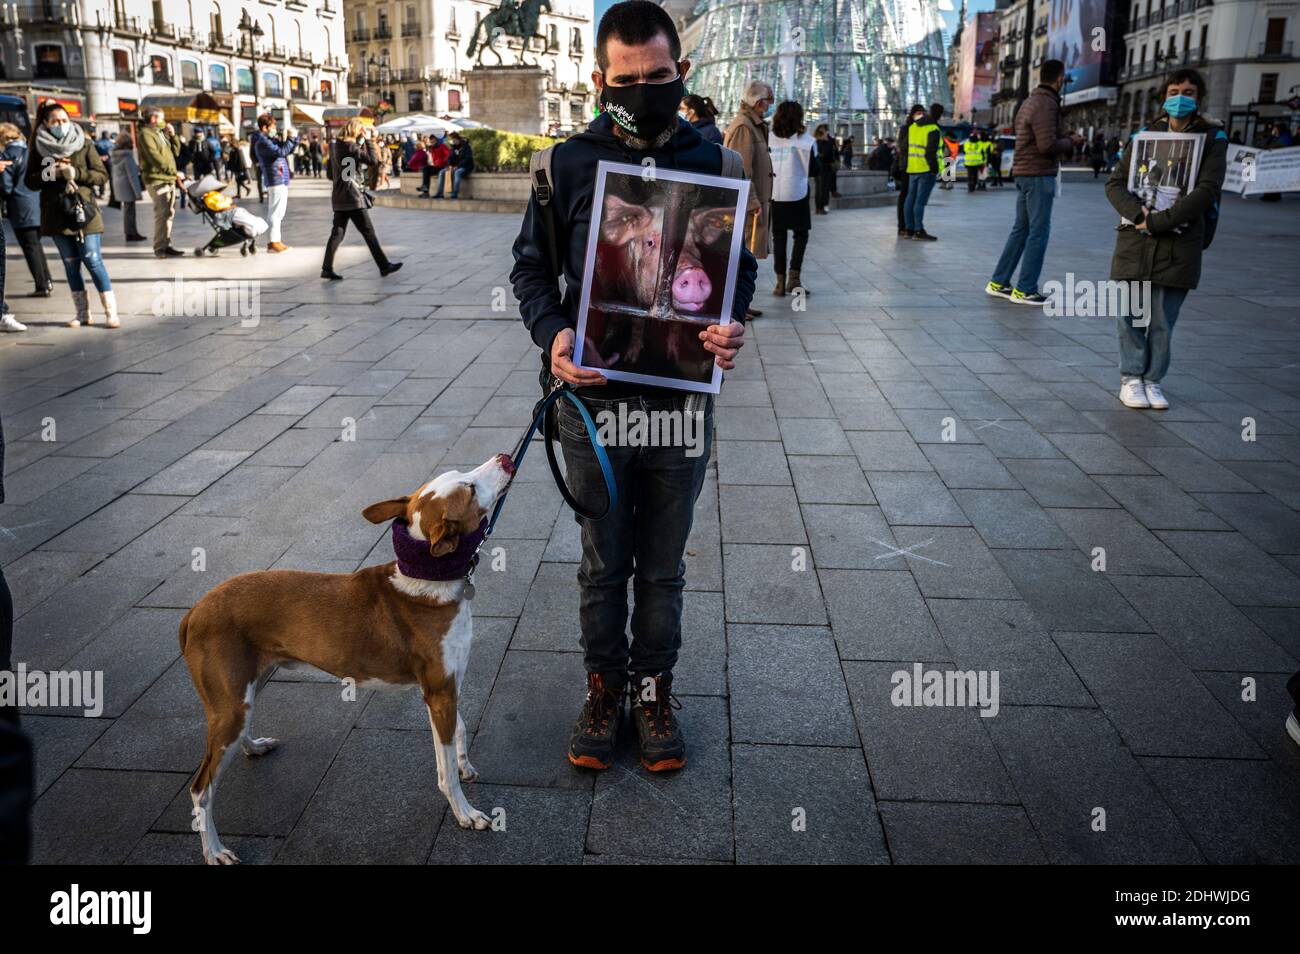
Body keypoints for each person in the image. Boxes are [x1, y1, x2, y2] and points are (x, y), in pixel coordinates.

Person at [510, 0, 754, 775]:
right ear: (598, 80)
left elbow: (738, 270)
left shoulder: (719, 166)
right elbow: (530, 269)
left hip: (680, 405)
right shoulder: (566, 165)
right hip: (592, 404)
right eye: (628, 79)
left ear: (682, 72)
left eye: (659, 76)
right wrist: (552, 335)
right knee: (601, 563)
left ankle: (653, 692)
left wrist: (731, 319)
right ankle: (604, 690)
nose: (645, 89)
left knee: (664, 566)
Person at [1105, 69, 1226, 411]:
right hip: (1136, 238)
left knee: (1162, 318)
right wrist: (1142, 217)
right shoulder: (1144, 135)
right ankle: (1130, 377)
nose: (1180, 96)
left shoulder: (1213, 138)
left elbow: (1207, 189)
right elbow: (1115, 184)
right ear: (1164, 97)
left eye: (1188, 91)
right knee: (1130, 313)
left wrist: (1160, 221)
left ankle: (1153, 380)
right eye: (1174, 90)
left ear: (1199, 97)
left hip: (1180, 241)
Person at [985, 59, 1085, 305]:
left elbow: (1037, 138)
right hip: (1038, 174)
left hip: (1024, 173)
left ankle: (999, 281)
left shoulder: (1030, 102)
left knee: (1021, 230)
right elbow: (1047, 145)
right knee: (1038, 232)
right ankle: (1026, 288)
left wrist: (1063, 137)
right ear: (1060, 78)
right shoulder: (1046, 104)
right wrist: (1072, 142)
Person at [26, 102, 118, 328]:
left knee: (92, 259)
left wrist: (76, 172)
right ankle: (82, 313)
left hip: (83, 211)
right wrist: (51, 173)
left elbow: (101, 176)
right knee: (70, 263)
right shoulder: (38, 148)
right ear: (46, 124)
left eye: (64, 120)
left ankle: (110, 312)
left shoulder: (83, 143)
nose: (61, 125)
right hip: (57, 214)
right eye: (55, 121)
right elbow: (30, 181)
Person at [321, 119, 402, 281]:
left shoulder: (335, 146)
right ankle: (384, 266)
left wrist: (350, 164)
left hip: (339, 196)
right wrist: (371, 141)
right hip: (353, 197)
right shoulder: (351, 147)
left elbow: (332, 174)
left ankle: (327, 268)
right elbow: (372, 160)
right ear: (356, 131)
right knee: (368, 233)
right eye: (361, 130)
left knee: (337, 233)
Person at [724, 78, 773, 320]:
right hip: (744, 206)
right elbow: (742, 169)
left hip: (750, 204)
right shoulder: (744, 127)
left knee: (747, 255)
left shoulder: (753, 125)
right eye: (766, 101)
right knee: (739, 255)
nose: (769, 106)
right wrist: (753, 202)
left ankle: (743, 302)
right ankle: (733, 305)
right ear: (756, 102)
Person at [768, 100, 818, 296]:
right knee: (801, 235)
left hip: (775, 194)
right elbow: (814, 170)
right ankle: (794, 279)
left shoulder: (769, 137)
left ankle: (779, 283)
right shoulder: (805, 140)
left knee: (778, 237)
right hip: (797, 193)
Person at [0, 122, 53, 304]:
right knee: (37, 245)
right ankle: (47, 280)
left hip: (21, 208)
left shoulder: (7, 155)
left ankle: (41, 285)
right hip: (38, 204)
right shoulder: (30, 152)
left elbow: (6, 187)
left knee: (30, 247)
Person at [137, 108, 185, 258]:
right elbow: (154, 156)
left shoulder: (159, 133)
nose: (165, 121)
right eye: (162, 118)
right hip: (157, 179)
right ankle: (159, 247)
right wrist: (172, 171)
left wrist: (173, 135)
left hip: (168, 178)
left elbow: (174, 152)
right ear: (153, 119)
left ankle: (166, 244)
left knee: (169, 213)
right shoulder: (146, 134)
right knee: (161, 214)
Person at [250, 113, 298, 253]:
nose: (275, 128)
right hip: (275, 178)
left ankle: (276, 241)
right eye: (273, 126)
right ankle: (273, 242)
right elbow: (281, 151)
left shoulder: (266, 139)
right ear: (265, 127)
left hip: (279, 177)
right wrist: (291, 138)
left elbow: (286, 150)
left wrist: (291, 140)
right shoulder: (262, 141)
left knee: (279, 212)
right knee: (275, 212)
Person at [902, 102, 942, 240]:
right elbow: (930, 151)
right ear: (940, 115)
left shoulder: (913, 126)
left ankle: (909, 229)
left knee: (910, 199)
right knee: (920, 201)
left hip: (912, 168)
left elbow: (904, 146)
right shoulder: (933, 128)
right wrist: (934, 168)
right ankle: (918, 231)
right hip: (925, 169)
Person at [109, 131, 147, 242]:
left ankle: (130, 232)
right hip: (127, 186)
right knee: (130, 211)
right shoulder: (127, 156)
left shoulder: (115, 155)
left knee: (127, 210)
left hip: (119, 185)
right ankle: (131, 232)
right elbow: (132, 176)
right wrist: (138, 193)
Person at [893, 104, 924, 235]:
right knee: (905, 195)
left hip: (918, 166)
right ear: (912, 114)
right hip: (906, 166)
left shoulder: (921, 128)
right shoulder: (906, 129)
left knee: (914, 196)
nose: (920, 115)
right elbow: (902, 147)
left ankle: (910, 225)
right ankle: (903, 226)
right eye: (918, 113)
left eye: (922, 113)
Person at [434, 131, 474, 199]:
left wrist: (457, 166)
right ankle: (440, 194)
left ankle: (454, 194)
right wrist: (450, 166)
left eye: (455, 140)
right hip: (454, 167)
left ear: (459, 140)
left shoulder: (466, 147)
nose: (454, 141)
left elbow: (468, 159)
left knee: (457, 172)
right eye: (453, 140)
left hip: (465, 167)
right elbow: (450, 158)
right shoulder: (453, 148)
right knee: (442, 172)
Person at [813, 123, 838, 214]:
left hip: (824, 167)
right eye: (825, 130)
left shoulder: (826, 140)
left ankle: (820, 207)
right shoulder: (819, 141)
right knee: (822, 188)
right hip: (823, 166)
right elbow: (826, 154)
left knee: (822, 188)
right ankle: (820, 208)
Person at [963, 128, 986, 193]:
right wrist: (983, 161)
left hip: (968, 162)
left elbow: (964, 152)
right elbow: (982, 153)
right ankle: (973, 185)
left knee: (969, 175)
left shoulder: (966, 143)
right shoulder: (980, 143)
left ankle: (970, 186)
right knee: (975, 175)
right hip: (977, 162)